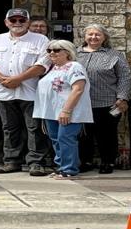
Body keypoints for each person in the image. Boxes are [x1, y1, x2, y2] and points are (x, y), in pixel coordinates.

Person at [0, 7, 50, 174]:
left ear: (28, 22)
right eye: (13, 20)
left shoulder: (41, 39)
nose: (17, 23)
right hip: (4, 92)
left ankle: (36, 162)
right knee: (9, 128)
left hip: (31, 91)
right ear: (6, 22)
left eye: (22, 20)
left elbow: (43, 65)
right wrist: (1, 79)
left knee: (34, 128)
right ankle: (12, 162)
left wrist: (18, 79)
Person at [75, 24, 131, 175]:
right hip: (80, 102)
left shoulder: (114, 55)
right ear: (84, 37)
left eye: (98, 35)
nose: (93, 37)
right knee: (83, 134)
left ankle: (108, 161)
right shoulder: (75, 54)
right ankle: (85, 161)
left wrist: (122, 97)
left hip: (107, 102)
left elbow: (125, 77)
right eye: (90, 34)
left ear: (104, 37)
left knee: (106, 134)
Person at [33, 40, 90, 179]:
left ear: (67, 52)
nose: (52, 52)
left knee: (65, 138)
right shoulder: (54, 68)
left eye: (57, 50)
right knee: (56, 139)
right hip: (51, 112)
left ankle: (69, 169)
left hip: (68, 111)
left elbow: (78, 89)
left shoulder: (74, 66)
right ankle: (61, 167)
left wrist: (66, 110)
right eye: (50, 50)